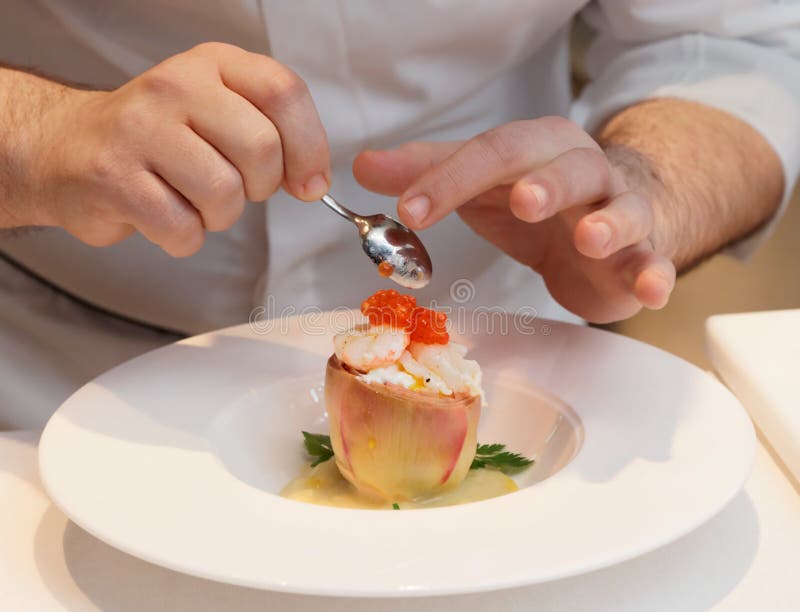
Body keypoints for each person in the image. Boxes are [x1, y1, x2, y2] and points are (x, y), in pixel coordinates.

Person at [0, 1, 796, 429]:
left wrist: (645, 187)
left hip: (503, 356)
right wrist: (38, 134)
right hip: (55, 374)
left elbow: (740, 42)